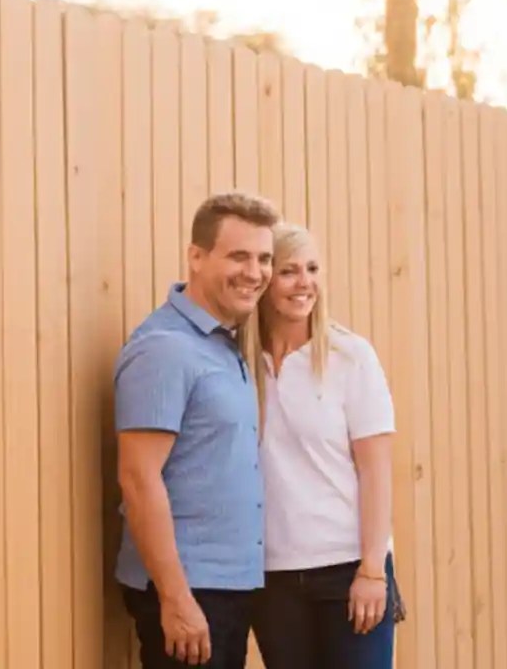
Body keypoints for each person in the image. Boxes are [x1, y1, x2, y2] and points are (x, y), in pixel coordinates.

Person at [114, 192, 280, 668]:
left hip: (224, 590)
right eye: (239, 256)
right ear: (196, 257)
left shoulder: (221, 343)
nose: (255, 272)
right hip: (190, 592)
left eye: (264, 258)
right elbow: (138, 479)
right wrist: (177, 599)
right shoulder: (166, 349)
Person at [243, 222, 403, 669]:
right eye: (289, 270)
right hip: (271, 575)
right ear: (266, 279)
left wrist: (373, 570)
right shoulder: (239, 361)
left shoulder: (351, 357)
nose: (304, 282)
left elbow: (376, 471)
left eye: (312, 268)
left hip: (349, 568)